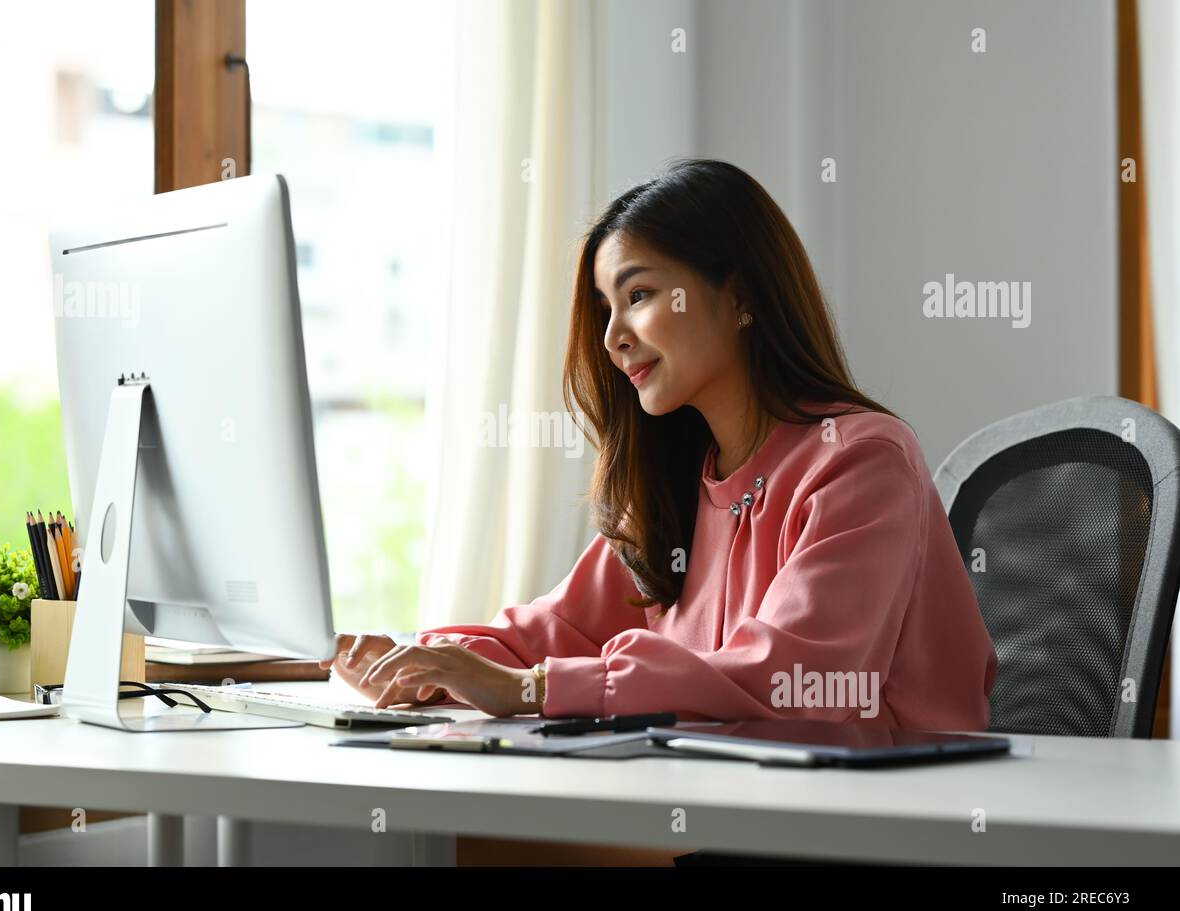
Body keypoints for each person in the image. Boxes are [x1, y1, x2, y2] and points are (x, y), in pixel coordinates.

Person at [318, 158, 997, 733]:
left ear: (741, 297)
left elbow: (797, 677)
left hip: (868, 836)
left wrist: (532, 691)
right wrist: (420, 660)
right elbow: (545, 635)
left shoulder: (861, 459)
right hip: (723, 814)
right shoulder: (676, 484)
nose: (613, 337)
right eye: (605, 309)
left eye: (638, 294)